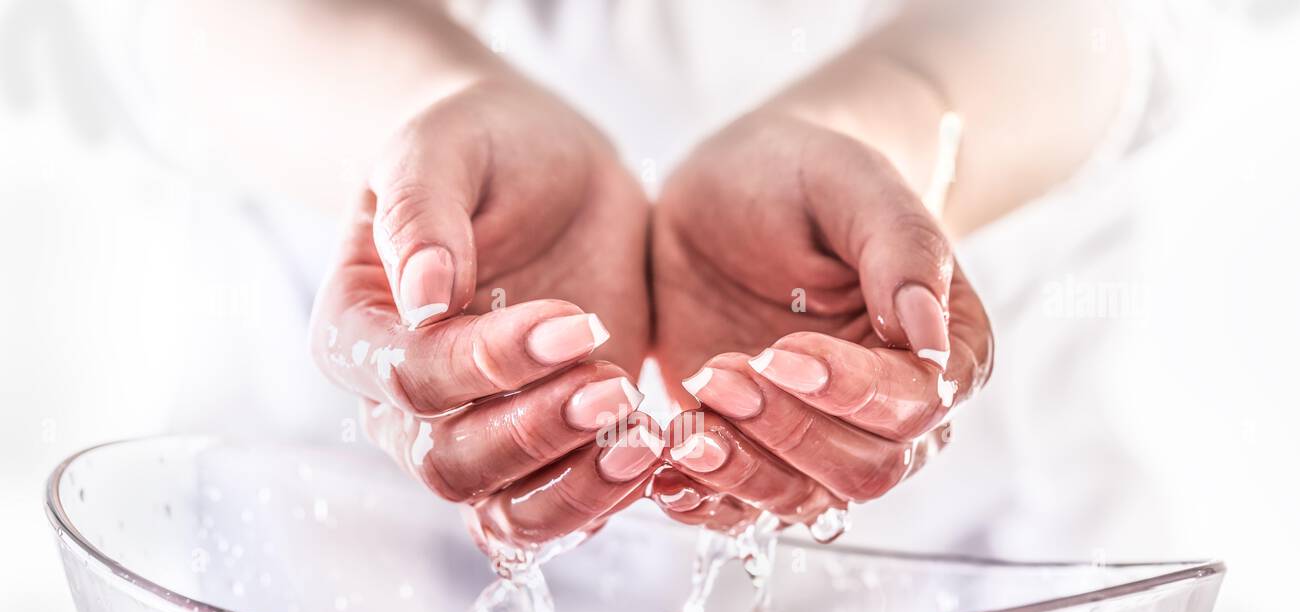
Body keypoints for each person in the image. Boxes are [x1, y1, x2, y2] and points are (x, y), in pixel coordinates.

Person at [104, 0, 1141, 553]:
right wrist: (421, 133)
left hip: (942, 596)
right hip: (333, 572)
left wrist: (897, 121)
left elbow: (1119, 20)